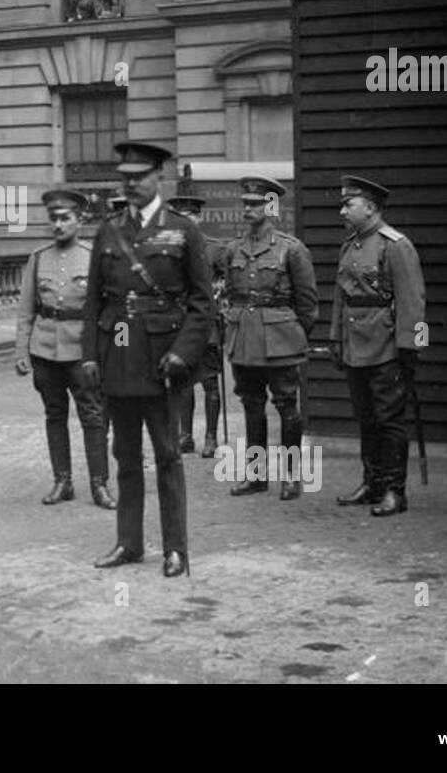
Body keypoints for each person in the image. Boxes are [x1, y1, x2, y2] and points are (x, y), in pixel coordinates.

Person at [82, 142, 214, 578]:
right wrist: (89, 356)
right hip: (118, 356)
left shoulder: (182, 230)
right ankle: (129, 542)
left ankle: (176, 549)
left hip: (163, 361)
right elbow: (94, 301)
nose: (131, 184)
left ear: (160, 176)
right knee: (124, 454)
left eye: (139, 176)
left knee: (168, 455)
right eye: (126, 177)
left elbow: (202, 303)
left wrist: (183, 353)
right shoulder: (109, 231)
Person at [330, 175, 426, 518]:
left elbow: (413, 301)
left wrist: (411, 349)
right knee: (366, 417)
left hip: (387, 347)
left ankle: (394, 491)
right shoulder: (349, 246)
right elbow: (341, 298)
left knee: (389, 420)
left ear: (370, 208)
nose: (342, 211)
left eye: (349, 204)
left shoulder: (396, 245)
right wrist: (336, 338)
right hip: (355, 347)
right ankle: (371, 483)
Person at [14, 189, 116, 509]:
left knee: (93, 417)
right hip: (45, 351)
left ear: (79, 220)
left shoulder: (93, 256)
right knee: (54, 415)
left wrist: (110, 351)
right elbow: (26, 310)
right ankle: (63, 481)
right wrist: (21, 352)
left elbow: (108, 311)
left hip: (82, 352)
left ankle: (99, 484)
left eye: (64, 218)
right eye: (53, 219)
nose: (58, 225)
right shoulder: (38, 258)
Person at [220, 178, 318, 500]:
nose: (248, 209)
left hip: (280, 340)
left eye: (255, 203)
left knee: (287, 406)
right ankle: (256, 475)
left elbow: (307, 304)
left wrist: (293, 335)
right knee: (251, 405)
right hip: (244, 339)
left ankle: (291, 477)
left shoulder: (291, 248)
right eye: (245, 203)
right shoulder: (234, 249)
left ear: (271, 207)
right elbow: (231, 294)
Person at [164, 196, 226, 458]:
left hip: (206, 324)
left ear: (199, 218)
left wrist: (220, 291)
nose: (186, 221)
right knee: (182, 381)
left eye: (191, 215)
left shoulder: (214, 249)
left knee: (210, 382)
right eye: (181, 216)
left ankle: (211, 436)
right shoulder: (168, 249)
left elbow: (228, 280)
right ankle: (185, 435)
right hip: (179, 323)